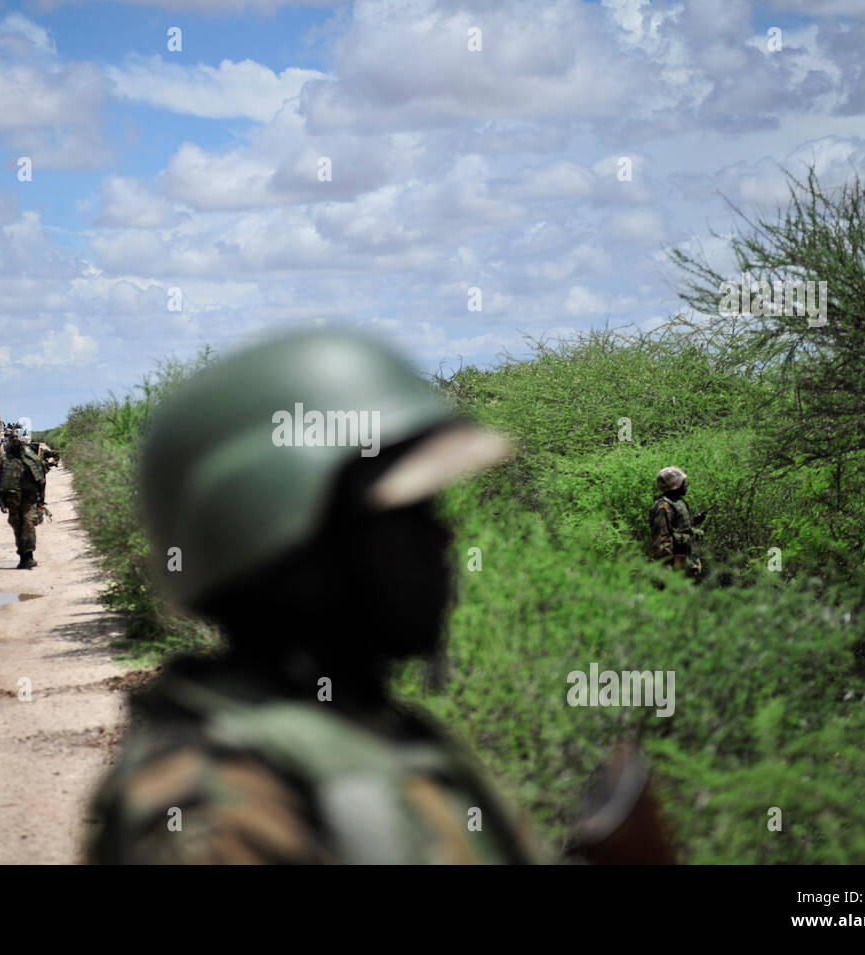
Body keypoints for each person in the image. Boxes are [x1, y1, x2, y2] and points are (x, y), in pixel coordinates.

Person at [85, 328, 547, 864]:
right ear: (287, 544)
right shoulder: (221, 815)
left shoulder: (366, 733)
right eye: (408, 516)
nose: (443, 540)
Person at [0, 428, 46, 570]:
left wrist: (41, 500)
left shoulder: (31, 458)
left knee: (28, 524)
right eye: (12, 438)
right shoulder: (5, 459)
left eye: (17, 438)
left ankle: (29, 555)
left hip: (29, 499)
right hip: (12, 500)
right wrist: (0, 501)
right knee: (17, 526)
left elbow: (41, 480)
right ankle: (23, 556)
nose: (15, 440)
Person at [649, 466, 705, 579]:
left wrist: (694, 521)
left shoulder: (678, 502)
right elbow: (662, 540)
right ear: (675, 485)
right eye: (682, 483)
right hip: (674, 567)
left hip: (685, 562)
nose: (686, 485)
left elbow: (679, 528)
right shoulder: (663, 506)